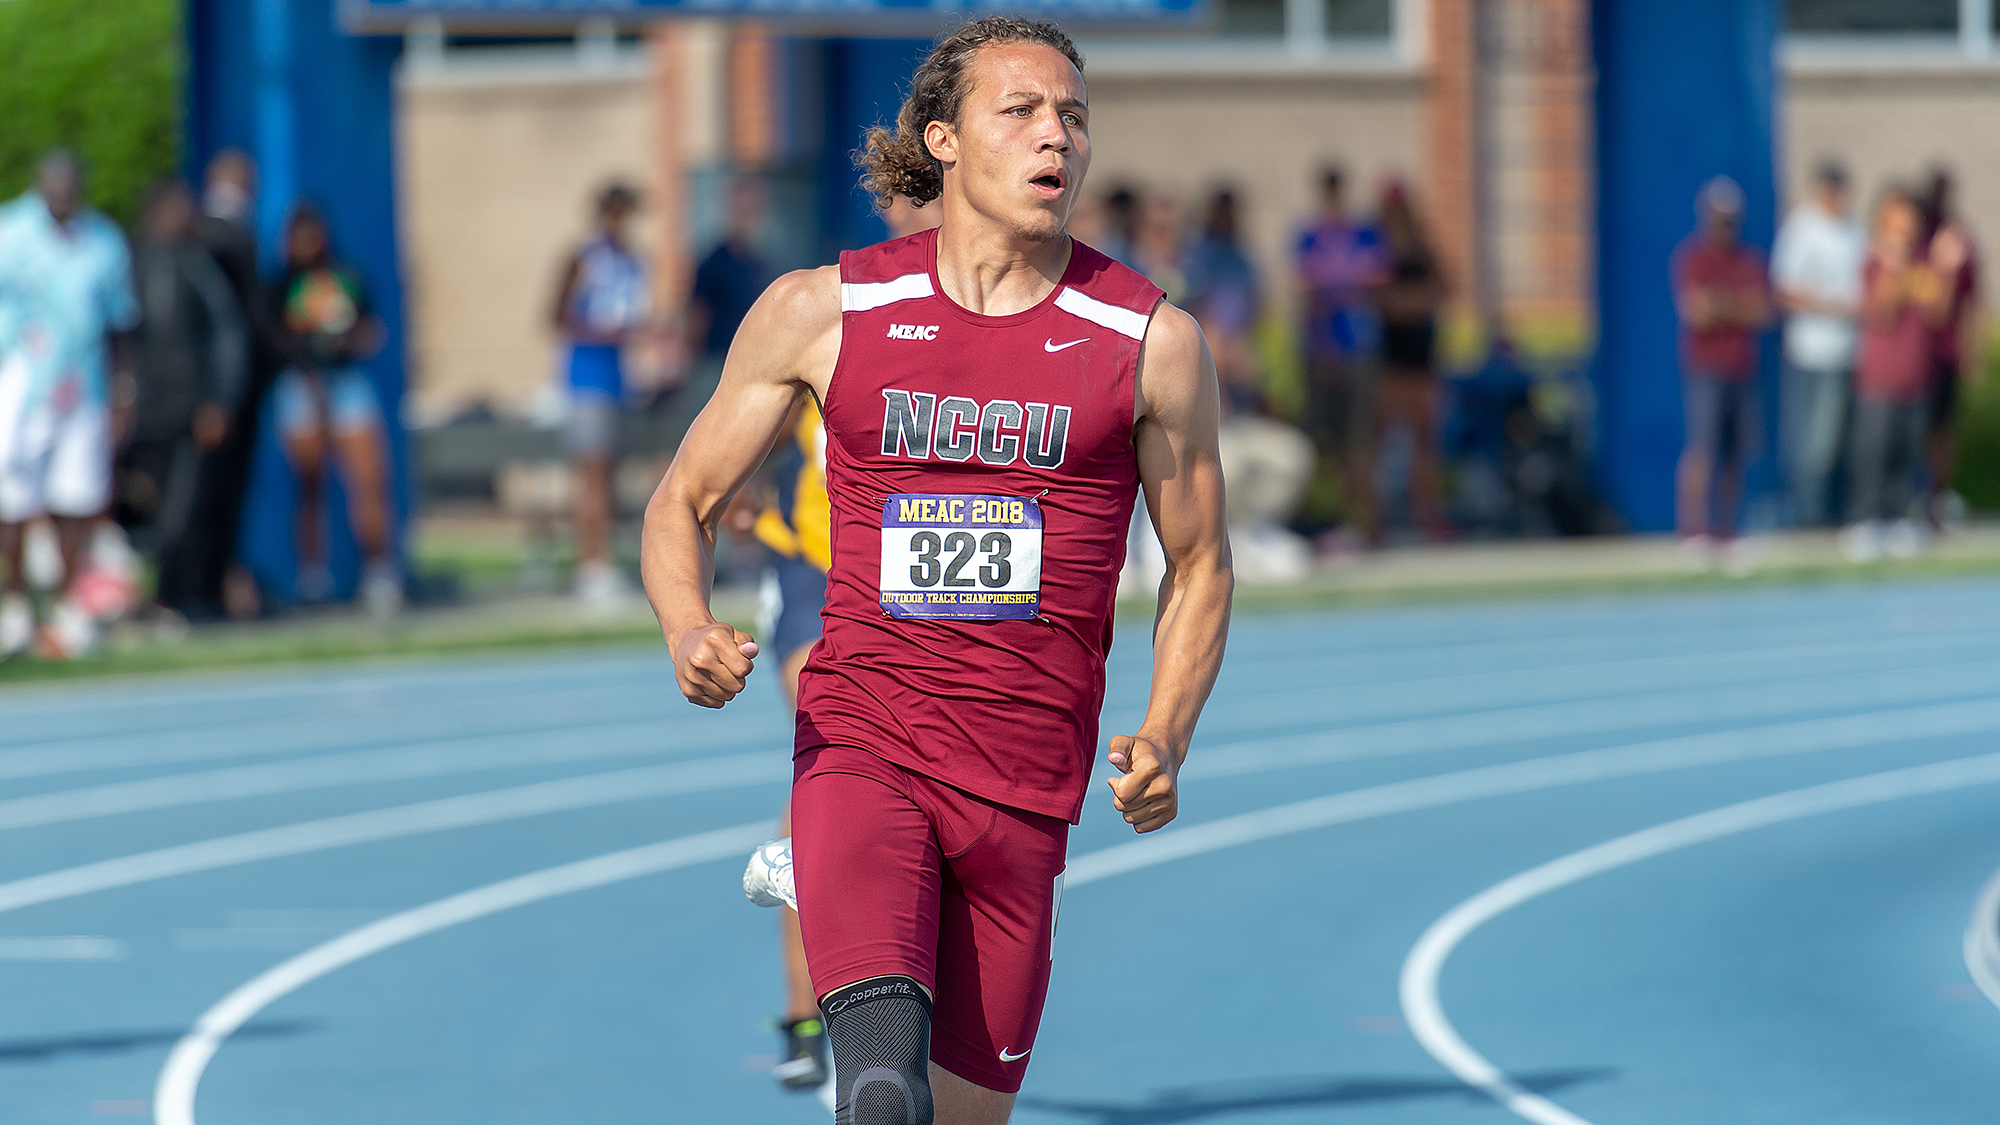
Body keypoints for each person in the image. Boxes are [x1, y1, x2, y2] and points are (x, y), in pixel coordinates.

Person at [640, 17, 1232, 1125]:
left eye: (1072, 116)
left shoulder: (1148, 339)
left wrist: (1166, 731)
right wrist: (685, 626)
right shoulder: (826, 310)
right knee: (877, 1094)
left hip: (1024, 791)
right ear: (943, 139)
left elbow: (1197, 563)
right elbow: (683, 499)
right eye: (1019, 111)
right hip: (865, 746)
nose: (1054, 135)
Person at [733, 193, 945, 1100]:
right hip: (814, 576)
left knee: (918, 785)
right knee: (834, 753)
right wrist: (738, 499)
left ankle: (896, 984)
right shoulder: (839, 320)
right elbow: (742, 423)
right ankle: (801, 1011)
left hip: (907, 592)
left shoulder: (980, 333)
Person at [0, 149, 141, 659]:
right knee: (14, 493)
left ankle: (65, 605)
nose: (61, 195)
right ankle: (13, 604)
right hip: (22, 378)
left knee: (76, 495)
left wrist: (124, 389)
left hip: (82, 384)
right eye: (52, 185)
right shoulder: (10, 233)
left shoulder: (102, 241)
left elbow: (119, 322)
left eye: (70, 186)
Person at [119, 179, 249, 620]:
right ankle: (125, 594)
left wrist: (219, 400)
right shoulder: (128, 261)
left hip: (189, 406)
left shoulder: (198, 265)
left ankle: (172, 596)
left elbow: (228, 335)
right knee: (134, 503)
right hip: (140, 409)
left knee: (182, 506)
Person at [268, 203, 399, 615]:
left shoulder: (348, 277)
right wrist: (309, 370)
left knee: (368, 478)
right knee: (309, 483)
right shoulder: (280, 284)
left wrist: (352, 342)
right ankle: (312, 576)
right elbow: (275, 338)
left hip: (346, 384)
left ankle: (379, 571)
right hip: (302, 387)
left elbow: (371, 329)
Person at [1187, 188, 1312, 580]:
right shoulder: (1197, 261)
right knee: (1226, 466)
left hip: (1237, 414)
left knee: (1290, 457)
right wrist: (1215, 351)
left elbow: (1253, 322)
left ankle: (1249, 534)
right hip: (1199, 427)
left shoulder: (1244, 262)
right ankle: (1214, 541)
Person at [552, 182, 650, 607]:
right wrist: (605, 333)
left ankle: (604, 560)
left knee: (608, 475)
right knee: (590, 474)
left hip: (618, 379)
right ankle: (589, 564)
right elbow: (556, 316)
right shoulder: (583, 258)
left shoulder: (634, 261)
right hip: (586, 376)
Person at [1670, 175, 1770, 571]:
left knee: (1735, 453)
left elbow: (1761, 311)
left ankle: (1728, 532)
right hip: (1705, 367)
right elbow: (1696, 311)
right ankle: (1694, 532)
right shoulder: (1692, 258)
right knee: (1702, 448)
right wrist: (1735, 307)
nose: (1723, 228)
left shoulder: (1748, 261)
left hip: (1740, 367)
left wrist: (1723, 307)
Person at [1844, 187, 1949, 562]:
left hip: (1915, 377)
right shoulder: (1874, 260)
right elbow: (1881, 309)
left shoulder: (1926, 261)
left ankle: (1900, 518)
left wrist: (1937, 269)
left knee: (1908, 452)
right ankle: (1866, 519)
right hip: (1879, 377)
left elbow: (1938, 307)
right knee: (1874, 451)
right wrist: (1897, 272)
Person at [195, 148, 273, 620]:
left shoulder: (209, 233)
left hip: (216, 388)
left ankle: (221, 580)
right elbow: (241, 324)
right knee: (216, 492)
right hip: (224, 391)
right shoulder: (226, 237)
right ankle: (213, 585)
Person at [1770, 158, 1863, 528]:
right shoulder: (1803, 228)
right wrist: (1830, 306)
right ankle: (1805, 518)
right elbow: (1784, 289)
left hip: (1848, 353)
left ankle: (1833, 514)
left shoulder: (1852, 229)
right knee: (1811, 446)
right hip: (1811, 352)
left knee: (1840, 444)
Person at [1295, 166, 1386, 537]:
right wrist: (1344, 282)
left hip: (1357, 351)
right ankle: (1325, 518)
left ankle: (1360, 520)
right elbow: (1306, 283)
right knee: (1322, 441)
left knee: (1360, 440)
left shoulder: (1361, 233)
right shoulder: (1310, 234)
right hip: (1322, 352)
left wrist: (1334, 283)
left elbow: (1377, 278)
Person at [1369, 179, 1450, 541]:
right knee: (1380, 450)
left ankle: (1426, 518)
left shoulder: (1420, 250)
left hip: (1421, 365)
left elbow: (1440, 291)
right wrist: (1410, 303)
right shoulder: (1379, 252)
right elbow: (1378, 299)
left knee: (1425, 449)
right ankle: (1376, 525)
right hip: (1391, 367)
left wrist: (1406, 303)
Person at [1920, 168, 1981, 529]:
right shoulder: (1918, 239)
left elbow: (1972, 296)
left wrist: (1968, 346)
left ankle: (1939, 500)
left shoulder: (1959, 238)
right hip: (1913, 354)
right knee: (1913, 430)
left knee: (1943, 429)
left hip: (1943, 353)